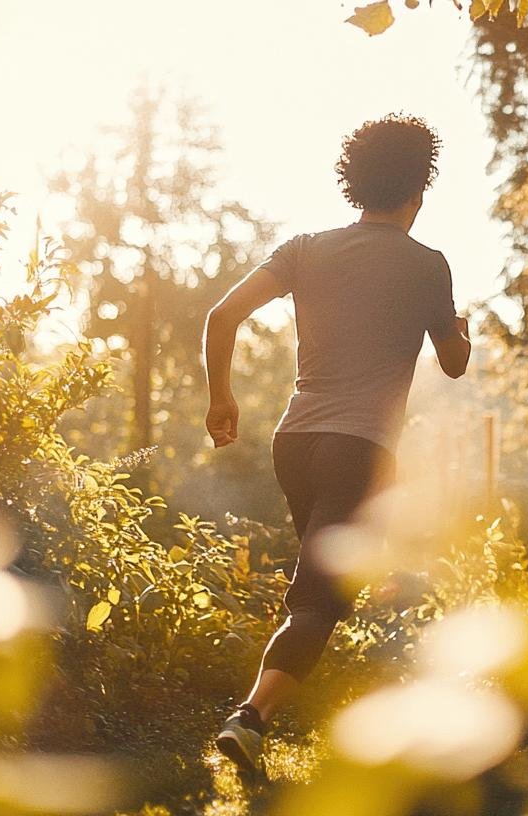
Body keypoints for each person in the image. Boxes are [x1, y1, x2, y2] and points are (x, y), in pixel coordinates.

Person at [201, 114, 470, 777]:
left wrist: (221, 400)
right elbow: (454, 364)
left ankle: (288, 687)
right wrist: (459, 329)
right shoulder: (429, 266)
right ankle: (249, 719)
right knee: (319, 601)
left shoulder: (304, 249)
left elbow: (222, 315)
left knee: (324, 585)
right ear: (419, 187)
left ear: (357, 182)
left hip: (295, 443)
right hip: (361, 450)